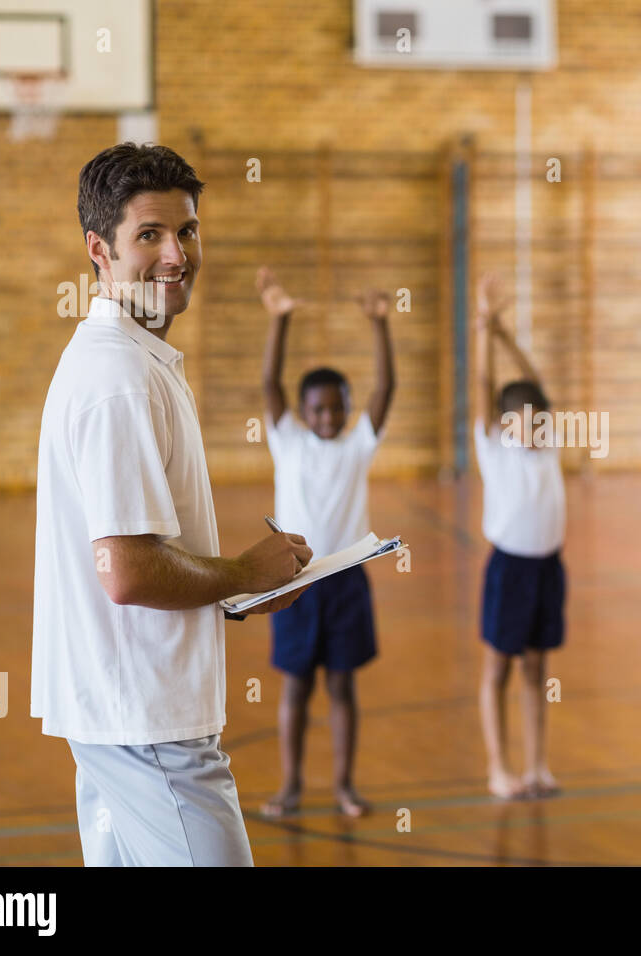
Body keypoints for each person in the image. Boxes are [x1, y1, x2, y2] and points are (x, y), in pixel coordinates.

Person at [32, 143, 312, 867]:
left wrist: (235, 588)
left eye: (186, 231)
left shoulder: (131, 356)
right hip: (148, 722)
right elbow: (126, 572)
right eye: (148, 235)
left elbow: (140, 556)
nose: (175, 254)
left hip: (121, 714)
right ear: (99, 249)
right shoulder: (119, 375)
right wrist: (244, 573)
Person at [256, 267, 395, 817]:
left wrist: (380, 325)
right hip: (295, 582)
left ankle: (343, 786)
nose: (329, 417)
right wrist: (279, 320)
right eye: (317, 408)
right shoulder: (288, 441)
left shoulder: (358, 445)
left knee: (342, 688)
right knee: (295, 689)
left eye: (338, 406)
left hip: (347, 579)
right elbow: (269, 384)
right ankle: (291, 785)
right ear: (302, 412)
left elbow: (386, 389)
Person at [473, 273, 565, 799]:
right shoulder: (494, 445)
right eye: (522, 422)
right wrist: (485, 330)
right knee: (499, 671)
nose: (533, 429)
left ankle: (538, 766)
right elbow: (486, 386)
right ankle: (498, 768)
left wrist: (506, 332)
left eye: (539, 421)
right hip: (509, 570)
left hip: (547, 568)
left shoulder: (548, 448)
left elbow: (537, 384)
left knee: (535, 669)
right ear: (504, 425)